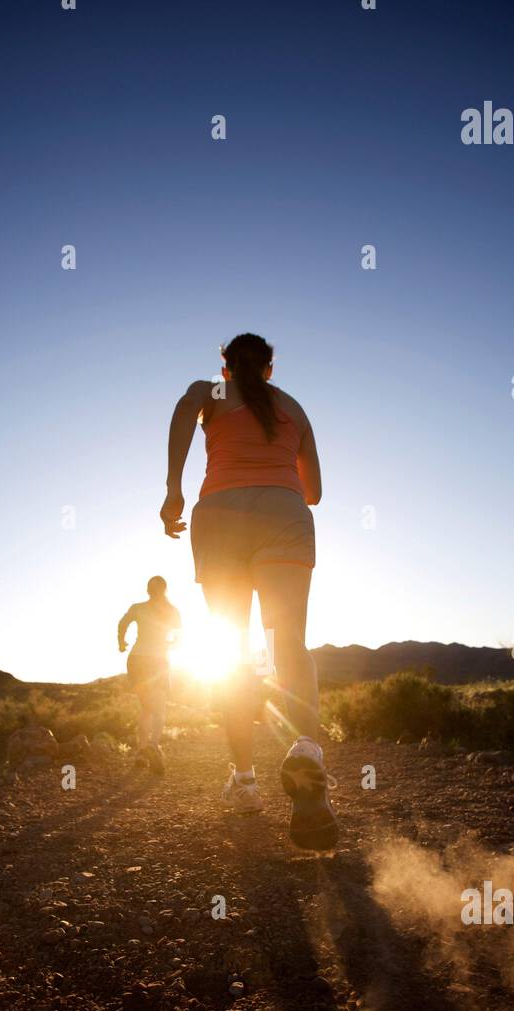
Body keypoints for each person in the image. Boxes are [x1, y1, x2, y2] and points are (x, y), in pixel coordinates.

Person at [160, 333, 338, 849]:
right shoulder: (293, 407)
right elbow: (316, 493)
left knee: (232, 650)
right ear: (269, 368)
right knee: (289, 643)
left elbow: (181, 412)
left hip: (218, 517)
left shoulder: (210, 394)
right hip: (283, 514)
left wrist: (173, 487)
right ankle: (305, 749)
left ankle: (244, 780)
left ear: (226, 365)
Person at [117, 577, 180, 774]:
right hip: (157, 661)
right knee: (159, 708)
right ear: (165, 590)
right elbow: (180, 636)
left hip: (136, 659)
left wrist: (121, 642)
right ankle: (153, 745)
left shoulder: (137, 607)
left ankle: (142, 752)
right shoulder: (172, 610)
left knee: (146, 708)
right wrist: (169, 645)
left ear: (147, 590)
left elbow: (122, 623)